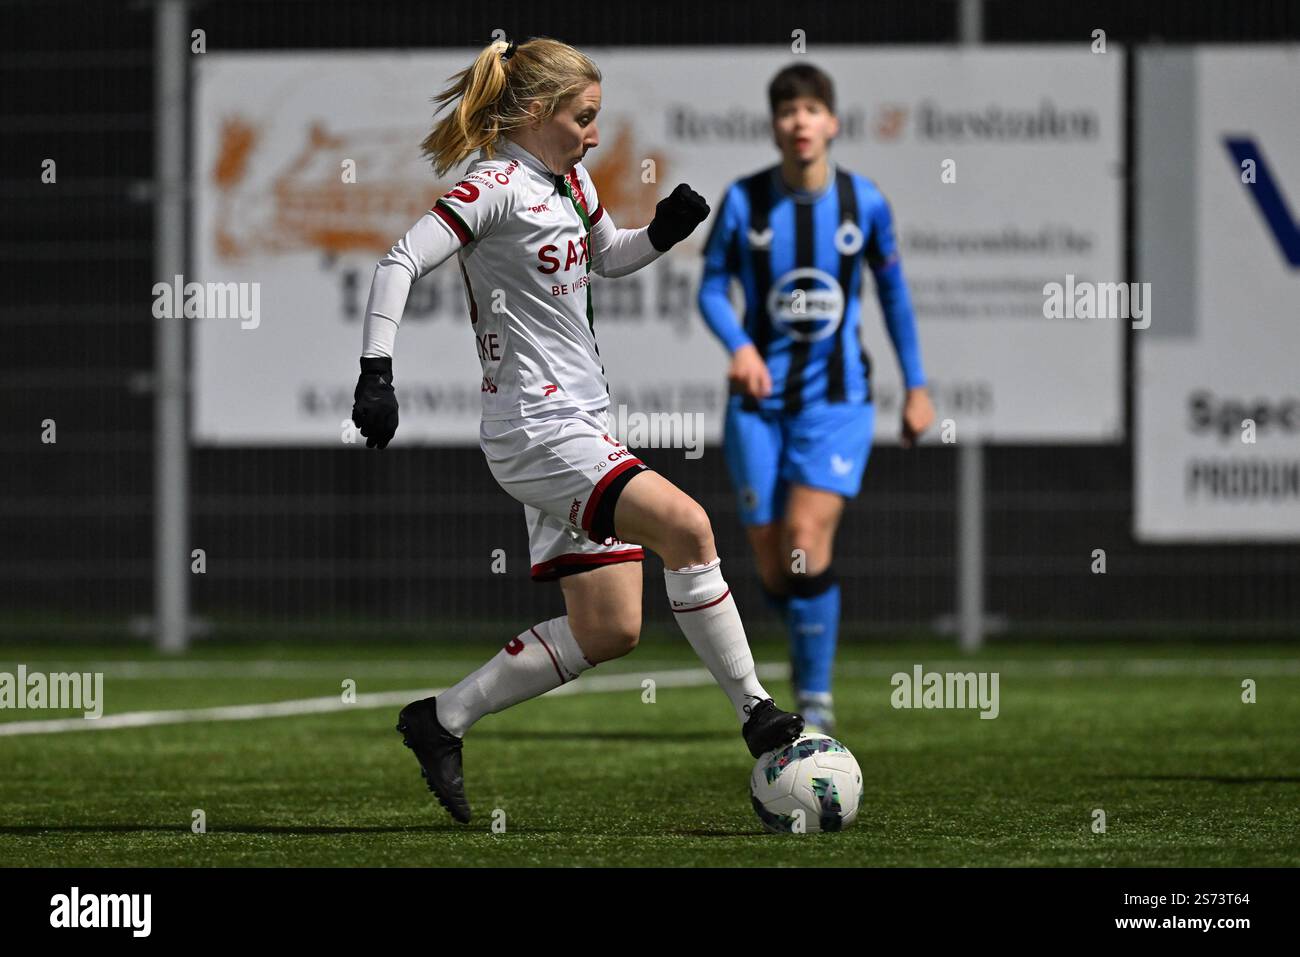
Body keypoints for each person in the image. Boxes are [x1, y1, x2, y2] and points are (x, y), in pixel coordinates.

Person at [351, 37, 804, 824]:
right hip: (537, 427)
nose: (595, 133)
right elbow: (398, 261)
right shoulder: (492, 185)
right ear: (535, 112)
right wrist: (376, 370)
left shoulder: (569, 179)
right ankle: (757, 711)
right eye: (584, 117)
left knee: (611, 626)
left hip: (577, 422)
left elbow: (607, 257)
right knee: (689, 526)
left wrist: (660, 233)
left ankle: (441, 719)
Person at [697, 63, 934, 734]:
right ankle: (805, 645)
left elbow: (893, 296)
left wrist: (916, 385)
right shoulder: (744, 202)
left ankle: (818, 693)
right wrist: (741, 347)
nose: (799, 121)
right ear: (774, 125)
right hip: (757, 406)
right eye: (786, 110)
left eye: (811, 109)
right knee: (773, 557)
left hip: (838, 400)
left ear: (831, 121)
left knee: (806, 537)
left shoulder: (865, 204)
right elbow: (711, 288)